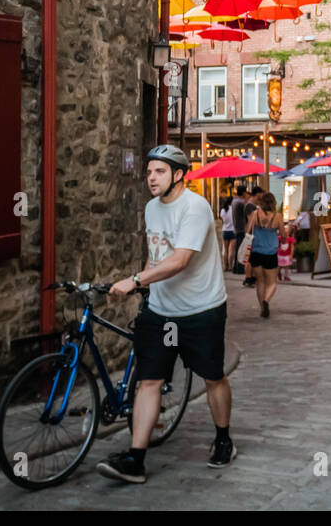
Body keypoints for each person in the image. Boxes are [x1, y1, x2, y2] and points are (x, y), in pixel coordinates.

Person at [96, 145, 233, 484]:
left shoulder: (195, 207)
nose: (151, 178)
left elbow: (181, 259)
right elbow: (157, 255)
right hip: (162, 314)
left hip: (201, 311)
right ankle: (135, 459)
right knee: (149, 380)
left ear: (178, 174)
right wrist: (141, 286)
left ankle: (223, 438)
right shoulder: (151, 209)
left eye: (158, 172)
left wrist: (134, 279)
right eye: (148, 172)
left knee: (213, 376)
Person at [247, 191, 282, 318]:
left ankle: (262, 308)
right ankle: (266, 301)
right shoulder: (277, 216)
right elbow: (283, 234)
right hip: (270, 253)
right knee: (272, 282)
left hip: (256, 252)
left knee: (260, 282)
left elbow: (248, 231)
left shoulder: (255, 214)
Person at [229, 185, 251, 273]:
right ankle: (240, 267)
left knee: (238, 248)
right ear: (244, 192)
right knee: (241, 248)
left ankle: (236, 267)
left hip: (236, 227)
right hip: (241, 228)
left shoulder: (234, 201)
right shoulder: (241, 203)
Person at [220, 195, 236, 269]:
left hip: (225, 230)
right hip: (233, 231)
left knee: (225, 250)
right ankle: (230, 266)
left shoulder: (223, 210)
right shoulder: (233, 209)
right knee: (231, 250)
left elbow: (223, 220)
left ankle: (225, 266)